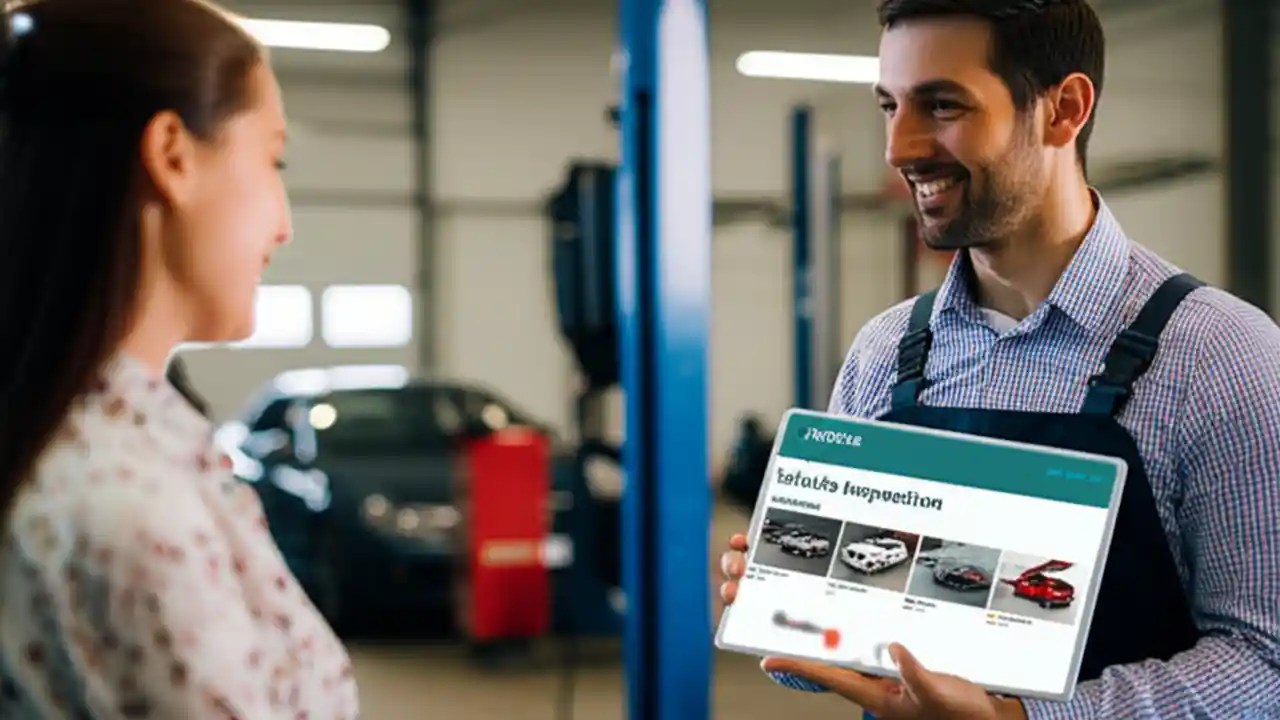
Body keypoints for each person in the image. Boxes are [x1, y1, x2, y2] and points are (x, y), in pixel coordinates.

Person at [718, 0, 1280, 718]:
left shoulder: (1220, 358)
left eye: (943, 105)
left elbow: (1264, 665)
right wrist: (782, 602)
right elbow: (831, 654)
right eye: (890, 106)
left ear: (1064, 109)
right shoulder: (885, 354)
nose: (899, 146)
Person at [0, 0, 358, 717]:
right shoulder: (124, 509)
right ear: (172, 156)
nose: (283, 225)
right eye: (272, 158)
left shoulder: (121, 444)